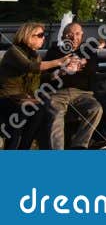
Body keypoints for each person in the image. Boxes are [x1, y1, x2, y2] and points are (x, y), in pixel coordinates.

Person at [1, 22, 82, 150]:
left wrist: (60, 72)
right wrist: (58, 61)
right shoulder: (14, 51)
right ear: (28, 36)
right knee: (24, 113)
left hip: (24, 98)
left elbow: (38, 77)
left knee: (40, 111)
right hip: (7, 98)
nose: (43, 38)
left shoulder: (35, 55)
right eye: (40, 35)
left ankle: (23, 149)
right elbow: (30, 67)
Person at [44, 22, 103, 149]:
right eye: (69, 34)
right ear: (63, 36)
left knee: (96, 108)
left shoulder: (88, 50)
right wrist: (63, 69)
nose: (73, 37)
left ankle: (79, 146)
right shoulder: (54, 51)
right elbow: (47, 74)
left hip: (83, 94)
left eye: (77, 34)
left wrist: (80, 64)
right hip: (58, 93)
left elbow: (93, 69)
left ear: (82, 35)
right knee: (55, 113)